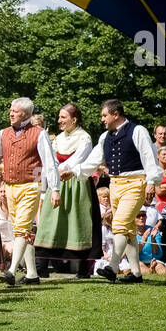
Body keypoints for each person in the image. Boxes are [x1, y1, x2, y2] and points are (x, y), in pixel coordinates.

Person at [81, 98, 163, 284]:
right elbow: (92, 161)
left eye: (104, 115)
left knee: (119, 224)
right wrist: (73, 171)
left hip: (135, 183)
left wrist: (151, 182)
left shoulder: (137, 130)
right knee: (128, 231)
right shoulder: (105, 137)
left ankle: (112, 266)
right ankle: (136, 273)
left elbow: (150, 158)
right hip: (115, 185)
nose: (102, 119)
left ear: (115, 114)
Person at [0, 97, 59, 286]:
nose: (11, 113)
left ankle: (11, 270)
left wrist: (55, 189)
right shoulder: (3, 134)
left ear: (26, 114)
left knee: (21, 228)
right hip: (9, 186)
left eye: (15, 111)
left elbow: (50, 163)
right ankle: (32, 274)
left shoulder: (39, 134)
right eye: (11, 110)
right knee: (20, 229)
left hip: (30, 185)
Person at [34, 103, 102, 278]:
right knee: (49, 222)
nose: (59, 120)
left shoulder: (84, 138)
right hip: (57, 183)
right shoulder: (58, 139)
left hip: (77, 182)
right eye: (59, 117)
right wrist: (54, 172)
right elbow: (51, 158)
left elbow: (77, 160)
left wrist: (57, 170)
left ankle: (83, 268)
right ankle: (42, 265)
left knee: (79, 223)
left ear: (74, 119)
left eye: (63, 117)